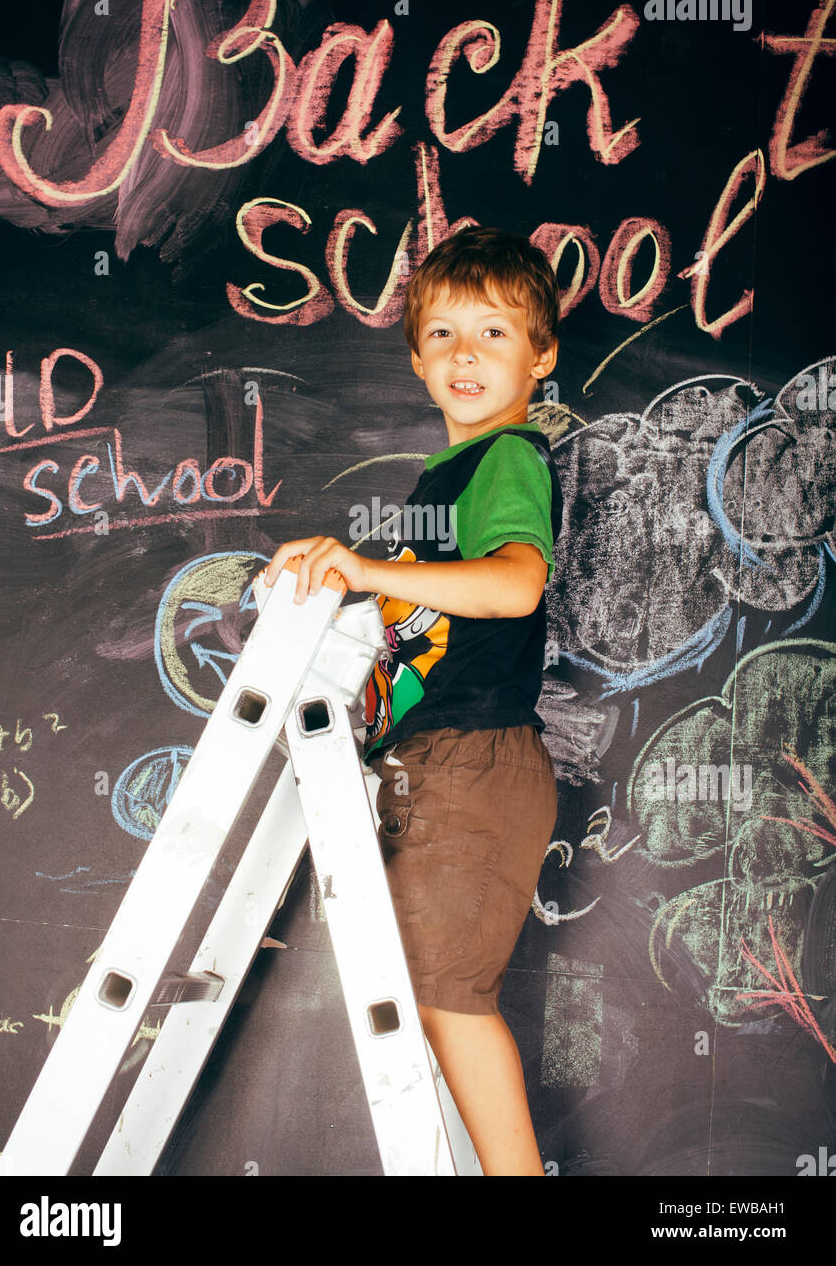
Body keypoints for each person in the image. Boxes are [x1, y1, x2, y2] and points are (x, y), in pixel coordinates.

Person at [264, 225, 562, 1176]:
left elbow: (515, 585)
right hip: (433, 764)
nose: (465, 354)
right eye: (442, 336)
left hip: (474, 760)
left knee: (448, 996)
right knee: (430, 998)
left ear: (540, 357)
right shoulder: (445, 479)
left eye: (494, 334)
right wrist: (340, 575)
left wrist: (364, 564)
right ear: (418, 361)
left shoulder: (507, 458)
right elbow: (425, 604)